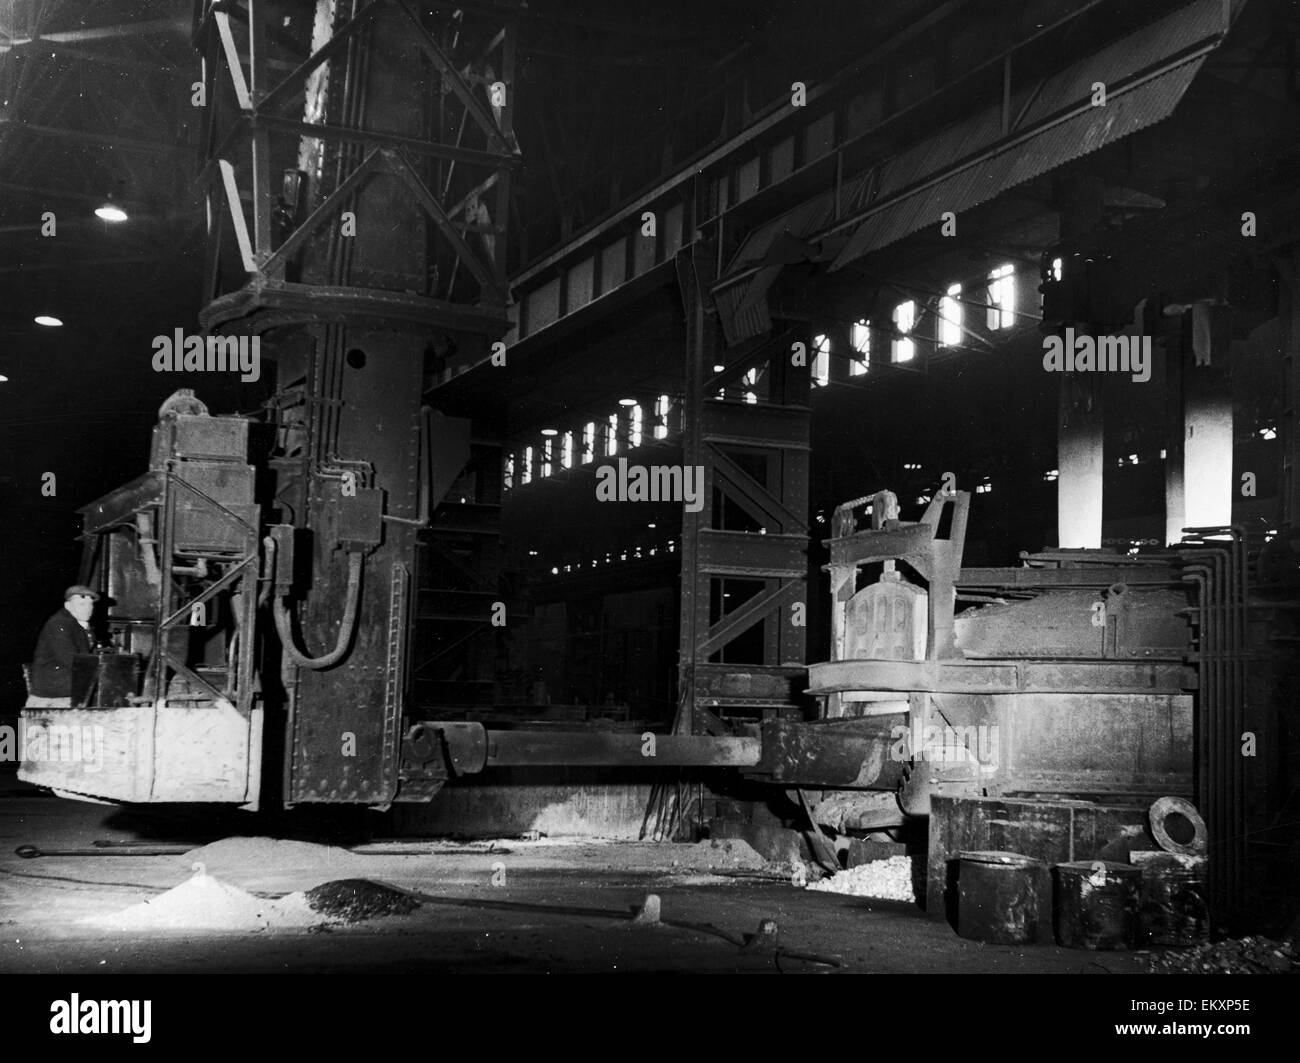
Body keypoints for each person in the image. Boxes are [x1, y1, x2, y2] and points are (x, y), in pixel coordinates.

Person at [26, 586, 100, 708]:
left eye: (90, 605)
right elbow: (71, 660)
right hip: (53, 697)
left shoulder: (76, 624)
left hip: (65, 692)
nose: (88, 609)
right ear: (68, 606)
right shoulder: (59, 624)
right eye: (82, 604)